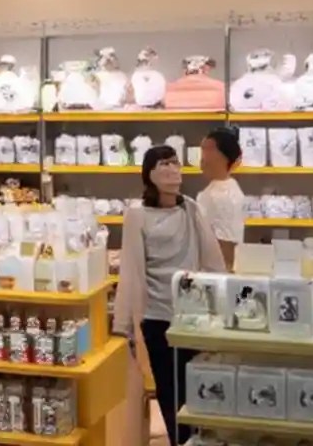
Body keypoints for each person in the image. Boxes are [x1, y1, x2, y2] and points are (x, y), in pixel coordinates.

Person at [114, 145, 226, 446]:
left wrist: (223, 302)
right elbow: (131, 267)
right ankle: (181, 441)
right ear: (149, 174)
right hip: (157, 315)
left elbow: (212, 258)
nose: (172, 169)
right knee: (168, 388)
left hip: (191, 314)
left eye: (176, 162)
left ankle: (197, 440)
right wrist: (124, 323)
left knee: (194, 385)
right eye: (164, 163)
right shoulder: (137, 214)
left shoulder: (190, 207)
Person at [198, 126, 246, 267]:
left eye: (208, 150)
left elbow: (227, 243)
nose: (203, 158)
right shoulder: (217, 189)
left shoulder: (223, 195)